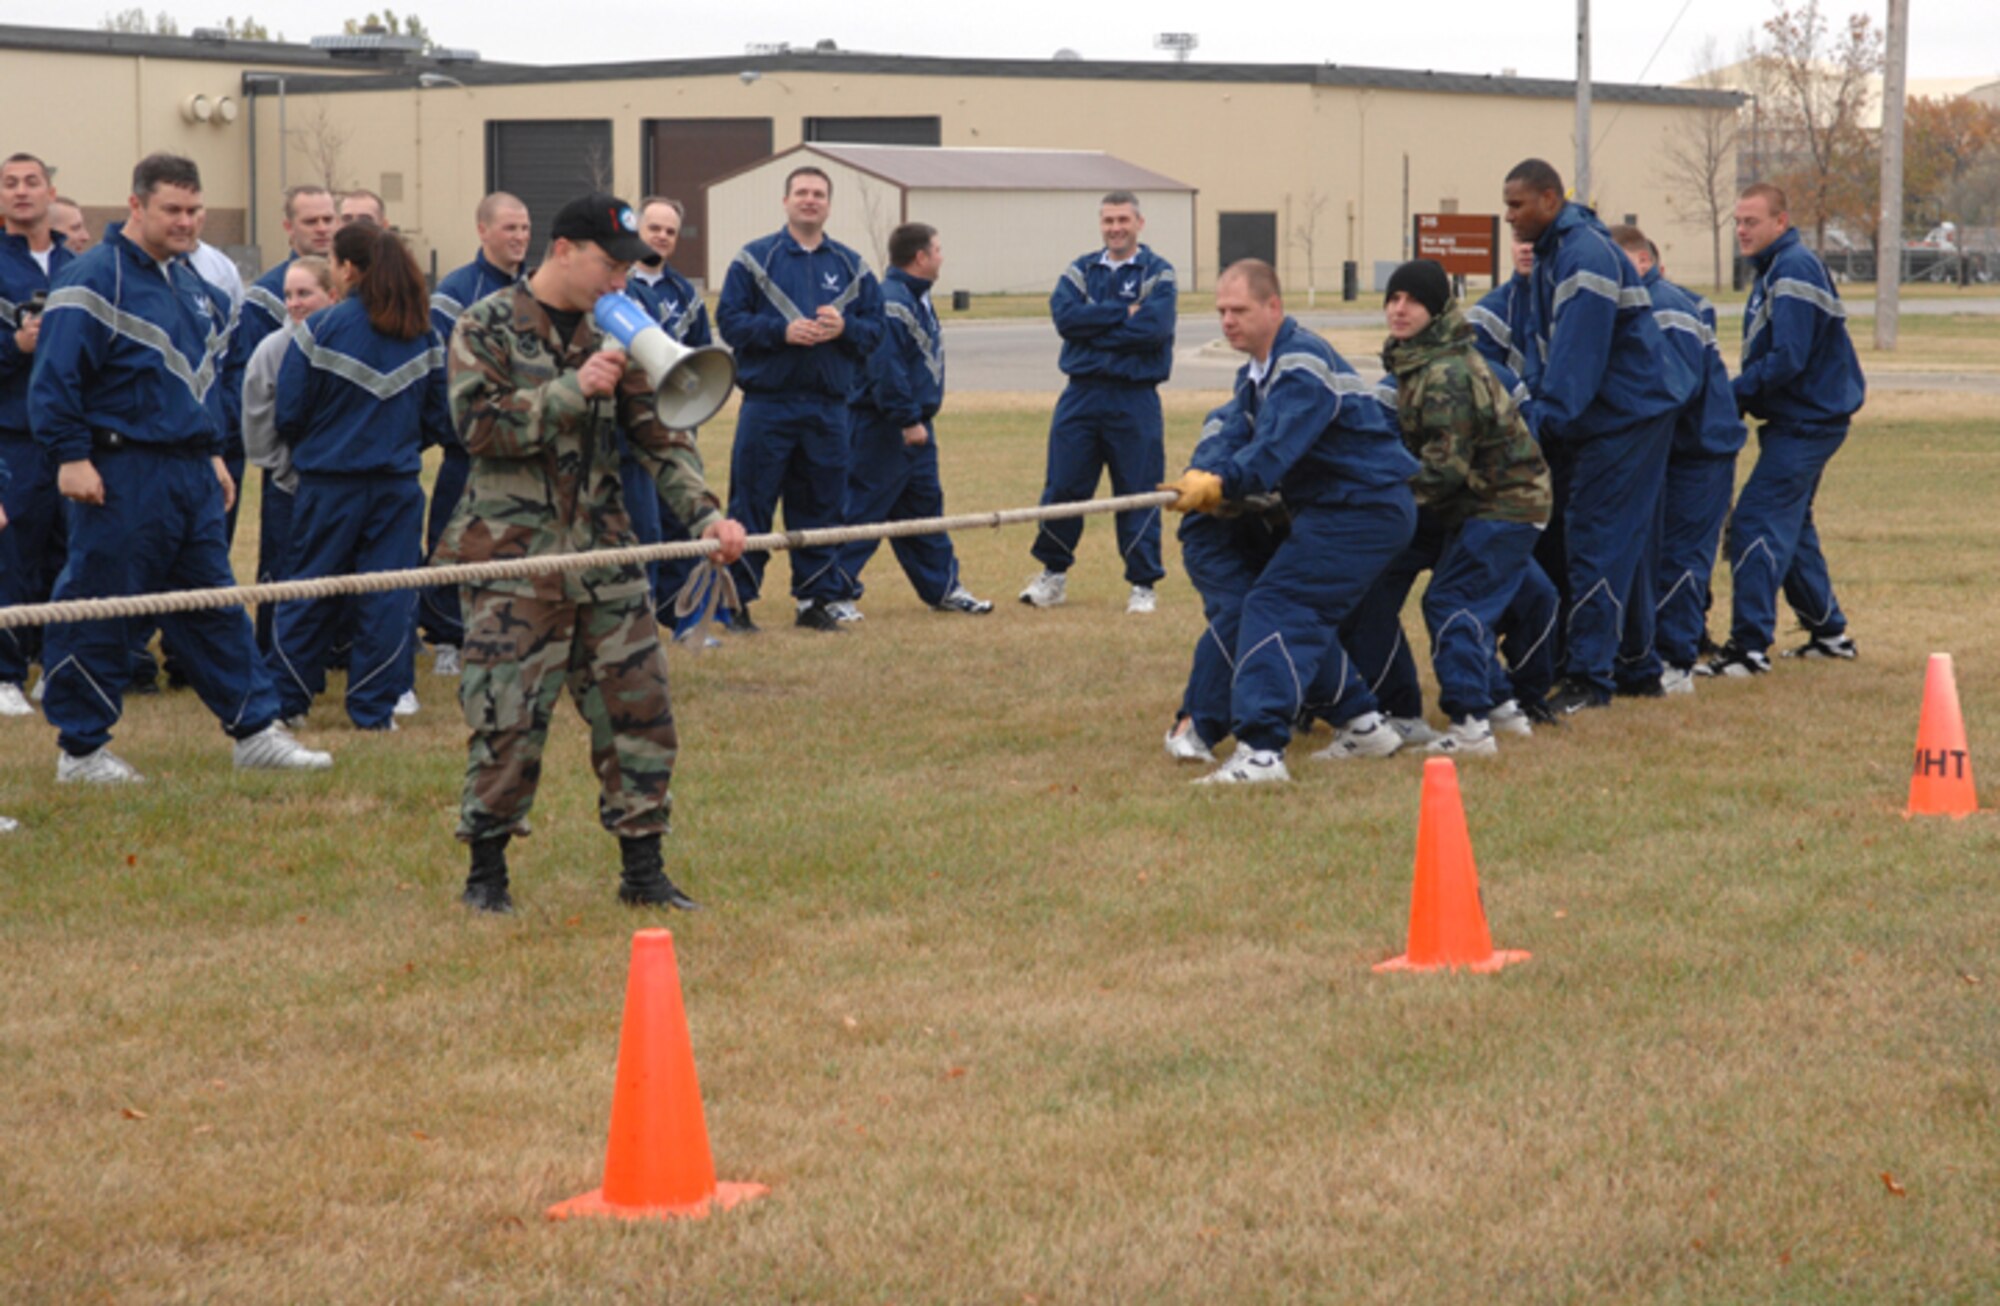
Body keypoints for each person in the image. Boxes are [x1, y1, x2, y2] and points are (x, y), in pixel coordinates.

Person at [438, 192, 747, 913]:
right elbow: (477, 431)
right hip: (514, 563)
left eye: (630, 268)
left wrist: (705, 515)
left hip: (607, 556)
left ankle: (643, 872)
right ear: (564, 250)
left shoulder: (628, 332)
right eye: (611, 266)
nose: (620, 283)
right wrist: (570, 392)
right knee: (506, 720)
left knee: (640, 715)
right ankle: (487, 875)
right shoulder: (486, 324)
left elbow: (663, 437)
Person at [28, 152, 331, 782]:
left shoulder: (196, 285)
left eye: (195, 210)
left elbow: (207, 381)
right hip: (119, 471)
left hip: (190, 474)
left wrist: (213, 453)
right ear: (136, 206)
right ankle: (80, 750)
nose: (187, 221)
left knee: (212, 604)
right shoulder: (93, 277)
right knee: (99, 606)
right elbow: (55, 378)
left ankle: (254, 728)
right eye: (173, 209)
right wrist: (71, 457)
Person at [1163, 259, 1418, 784]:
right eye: (1221, 311)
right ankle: (1367, 727)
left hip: (1362, 508)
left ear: (1274, 307)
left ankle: (1261, 752)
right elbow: (1237, 433)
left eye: (1240, 310)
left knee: (1276, 605)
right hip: (1340, 509)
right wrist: (1202, 472)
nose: (1227, 321)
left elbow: (1271, 454)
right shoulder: (1257, 373)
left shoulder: (1301, 366)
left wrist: (1222, 484)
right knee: (1290, 606)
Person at [1502, 158, 1690, 715]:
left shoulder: (1583, 254)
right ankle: (1636, 666)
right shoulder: (1556, 255)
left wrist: (1540, 423)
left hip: (1625, 416)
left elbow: (1576, 360)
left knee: (1596, 536)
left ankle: (1589, 678)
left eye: (1518, 204)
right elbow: (1541, 349)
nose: (1509, 217)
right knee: (1607, 539)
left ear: (1551, 201)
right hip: (1605, 415)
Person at [266, 224, 447, 730]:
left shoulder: (320, 330)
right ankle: (374, 709)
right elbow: (439, 418)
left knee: (307, 591)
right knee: (388, 596)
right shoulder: (423, 332)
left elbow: (290, 413)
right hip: (397, 486)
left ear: (346, 269)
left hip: (329, 485)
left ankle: (287, 703)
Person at [1375, 259, 1552, 755]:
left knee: (1451, 602)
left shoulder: (1446, 372)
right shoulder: (1421, 360)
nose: (1399, 309)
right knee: (1461, 596)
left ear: (1435, 308)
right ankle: (1501, 706)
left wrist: (1386, 505)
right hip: (1487, 503)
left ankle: (1471, 724)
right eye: (1392, 299)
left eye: (1411, 300)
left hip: (1503, 504)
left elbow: (1444, 469)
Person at [1702, 183, 1866, 677]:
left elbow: (1788, 357)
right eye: (1737, 222)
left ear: (1781, 221)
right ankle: (1829, 633)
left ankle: (1749, 648)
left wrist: (1732, 394)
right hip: (1803, 419)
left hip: (1807, 422)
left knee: (1754, 522)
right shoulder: (1776, 268)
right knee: (1793, 526)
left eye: (1752, 221)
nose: (1742, 230)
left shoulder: (1792, 267)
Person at [715, 165, 881, 632]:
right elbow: (729, 321)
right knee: (752, 505)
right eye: (802, 193)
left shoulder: (852, 265)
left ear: (829, 204)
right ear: (786, 201)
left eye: (819, 194)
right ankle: (736, 602)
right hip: (768, 405)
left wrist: (845, 328)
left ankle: (816, 601)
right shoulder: (754, 259)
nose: (810, 200)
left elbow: (876, 331)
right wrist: (780, 331)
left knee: (824, 505)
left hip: (829, 408)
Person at [1021, 190, 1175, 615]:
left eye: (1123, 220)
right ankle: (1053, 576)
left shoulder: (1158, 273)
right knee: (1064, 487)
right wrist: (1122, 313)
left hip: (1135, 399)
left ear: (1139, 223)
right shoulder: (1081, 269)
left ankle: (1143, 585)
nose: (1115, 228)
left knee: (1138, 490)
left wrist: (1094, 329)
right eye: (1108, 220)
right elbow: (1064, 318)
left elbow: (1154, 329)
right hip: (1081, 395)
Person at [1607, 226, 1746, 693]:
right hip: (1675, 451)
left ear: (1640, 262)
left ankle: (1676, 659)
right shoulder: (1643, 305)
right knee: (1658, 553)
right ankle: (1651, 651)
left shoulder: (1663, 309)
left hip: (1697, 452)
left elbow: (1674, 389)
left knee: (1682, 555)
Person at [831, 222, 992, 618]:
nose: (941, 257)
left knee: (922, 512)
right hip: (884, 427)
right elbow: (884, 368)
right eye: (937, 250)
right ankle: (832, 591)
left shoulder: (915, 297)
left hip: (917, 424)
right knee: (863, 510)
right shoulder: (890, 301)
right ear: (920, 257)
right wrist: (906, 419)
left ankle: (943, 588)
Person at [424, 192, 531, 676]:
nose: (520, 237)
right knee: (455, 543)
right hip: (468, 449)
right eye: (510, 228)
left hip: (524, 449)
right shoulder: (455, 293)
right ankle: (447, 635)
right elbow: (439, 374)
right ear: (483, 230)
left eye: (526, 228)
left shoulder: (537, 290)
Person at [0, 152, 75, 718]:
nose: (21, 192)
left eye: (31, 182)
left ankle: (59, 664)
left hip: (72, 439)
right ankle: (5, 674)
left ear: (51, 192)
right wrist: (15, 347)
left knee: (71, 552)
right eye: (9, 184)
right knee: (9, 555)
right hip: (12, 436)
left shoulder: (80, 268)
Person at [628, 195, 720, 630]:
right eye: (654, 228)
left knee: (683, 521)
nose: (662, 236)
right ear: (637, 230)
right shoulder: (617, 286)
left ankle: (684, 618)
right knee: (642, 527)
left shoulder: (686, 291)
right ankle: (640, 620)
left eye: (669, 230)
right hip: (632, 430)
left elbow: (700, 354)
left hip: (677, 424)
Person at [241, 256, 336, 505]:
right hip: (287, 488)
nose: (294, 304)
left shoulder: (347, 345)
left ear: (332, 295)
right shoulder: (272, 350)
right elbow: (257, 423)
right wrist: (287, 474)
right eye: (288, 295)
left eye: (304, 294)